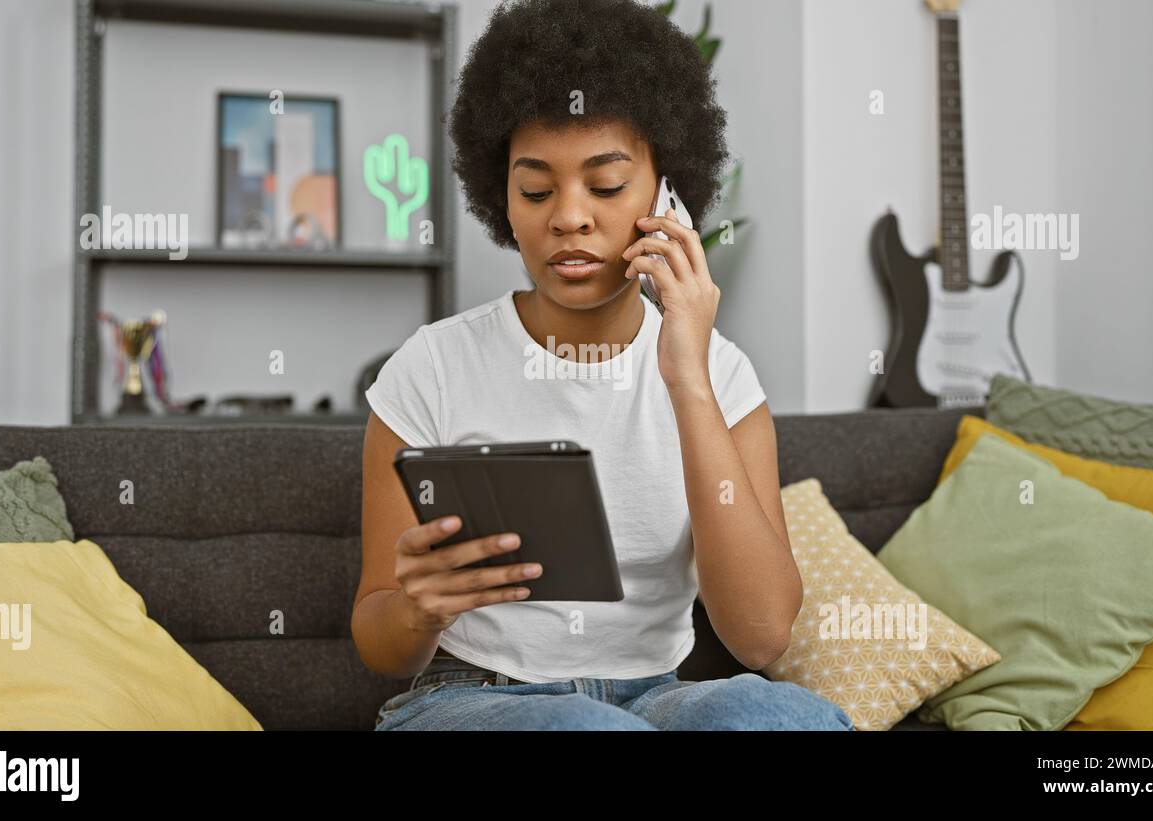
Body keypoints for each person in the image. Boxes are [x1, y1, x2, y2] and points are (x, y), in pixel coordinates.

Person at [351, 0, 852, 731]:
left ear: (667, 193)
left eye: (607, 184)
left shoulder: (724, 377)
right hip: (470, 697)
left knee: (783, 715)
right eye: (536, 189)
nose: (569, 217)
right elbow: (380, 645)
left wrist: (687, 376)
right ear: (503, 198)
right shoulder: (430, 367)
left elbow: (761, 633)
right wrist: (418, 607)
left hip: (654, 696)